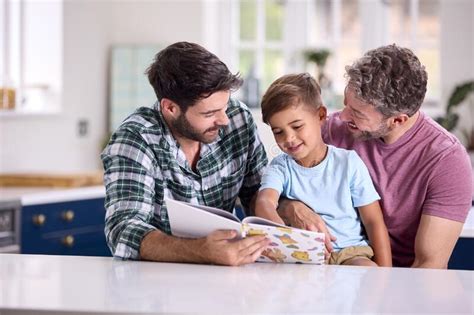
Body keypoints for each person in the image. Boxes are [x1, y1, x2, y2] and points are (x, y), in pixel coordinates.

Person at [277, 44, 472, 268]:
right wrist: (290, 206)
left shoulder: (446, 161)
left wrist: (381, 295)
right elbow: (270, 186)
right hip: (331, 270)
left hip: (403, 282)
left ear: (397, 120)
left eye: (357, 113)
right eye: (346, 103)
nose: (342, 116)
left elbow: (428, 266)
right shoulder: (332, 130)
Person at [101, 41, 270, 266]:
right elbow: (123, 231)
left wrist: (288, 206)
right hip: (157, 288)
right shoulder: (135, 139)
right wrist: (202, 250)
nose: (224, 120)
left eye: (225, 106)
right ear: (170, 108)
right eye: (209, 113)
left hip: (228, 279)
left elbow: (257, 192)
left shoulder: (239, 119)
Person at [255, 73, 392, 267]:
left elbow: (373, 222)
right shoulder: (280, 168)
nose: (289, 138)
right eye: (278, 132)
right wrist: (285, 239)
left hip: (349, 253)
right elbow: (264, 202)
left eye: (297, 126)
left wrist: (386, 274)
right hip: (302, 258)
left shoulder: (349, 163)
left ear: (320, 116)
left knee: (368, 271)